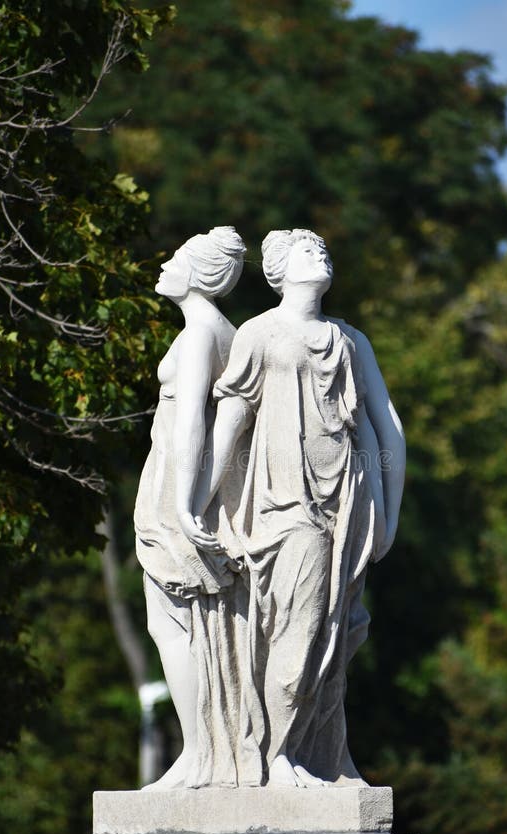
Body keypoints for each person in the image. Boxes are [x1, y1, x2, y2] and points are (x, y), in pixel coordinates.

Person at [195, 229, 406, 787]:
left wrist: (389, 507)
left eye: (326, 250)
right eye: (309, 250)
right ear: (280, 268)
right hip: (287, 503)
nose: (323, 255)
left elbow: (388, 430)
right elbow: (233, 420)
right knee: (300, 625)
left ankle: (320, 755)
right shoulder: (260, 333)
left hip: (350, 502)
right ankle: (275, 755)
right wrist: (199, 499)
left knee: (337, 635)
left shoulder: (351, 340)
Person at [134, 226, 264, 789]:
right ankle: (208, 748)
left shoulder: (199, 332)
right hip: (206, 482)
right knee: (200, 627)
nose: (165, 264)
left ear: (201, 273)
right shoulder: (224, 329)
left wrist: (186, 504)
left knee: (170, 623)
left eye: (178, 258)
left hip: (180, 482)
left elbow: (192, 420)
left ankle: (197, 753)